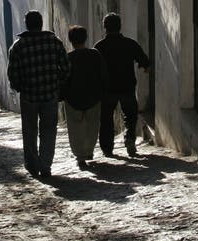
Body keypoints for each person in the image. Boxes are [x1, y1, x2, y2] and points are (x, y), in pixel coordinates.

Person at [7, 10, 69, 179]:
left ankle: (33, 165)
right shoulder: (54, 42)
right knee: (49, 130)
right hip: (50, 95)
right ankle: (46, 165)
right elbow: (65, 67)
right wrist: (56, 83)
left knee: (29, 131)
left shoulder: (18, 46)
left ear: (26, 24)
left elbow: (12, 74)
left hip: (29, 97)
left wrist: (20, 87)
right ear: (41, 23)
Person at [95, 12, 150, 158]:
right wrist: (145, 68)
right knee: (130, 116)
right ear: (120, 27)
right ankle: (130, 138)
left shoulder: (99, 47)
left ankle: (107, 148)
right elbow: (145, 62)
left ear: (105, 28)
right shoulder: (130, 44)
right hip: (127, 86)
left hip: (107, 89)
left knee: (106, 118)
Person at [61, 26, 107, 169]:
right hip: (93, 96)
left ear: (70, 40)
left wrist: (62, 95)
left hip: (73, 98)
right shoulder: (95, 54)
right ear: (85, 38)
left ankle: (80, 156)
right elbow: (103, 74)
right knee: (92, 126)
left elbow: (64, 78)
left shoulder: (68, 57)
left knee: (75, 128)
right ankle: (88, 151)